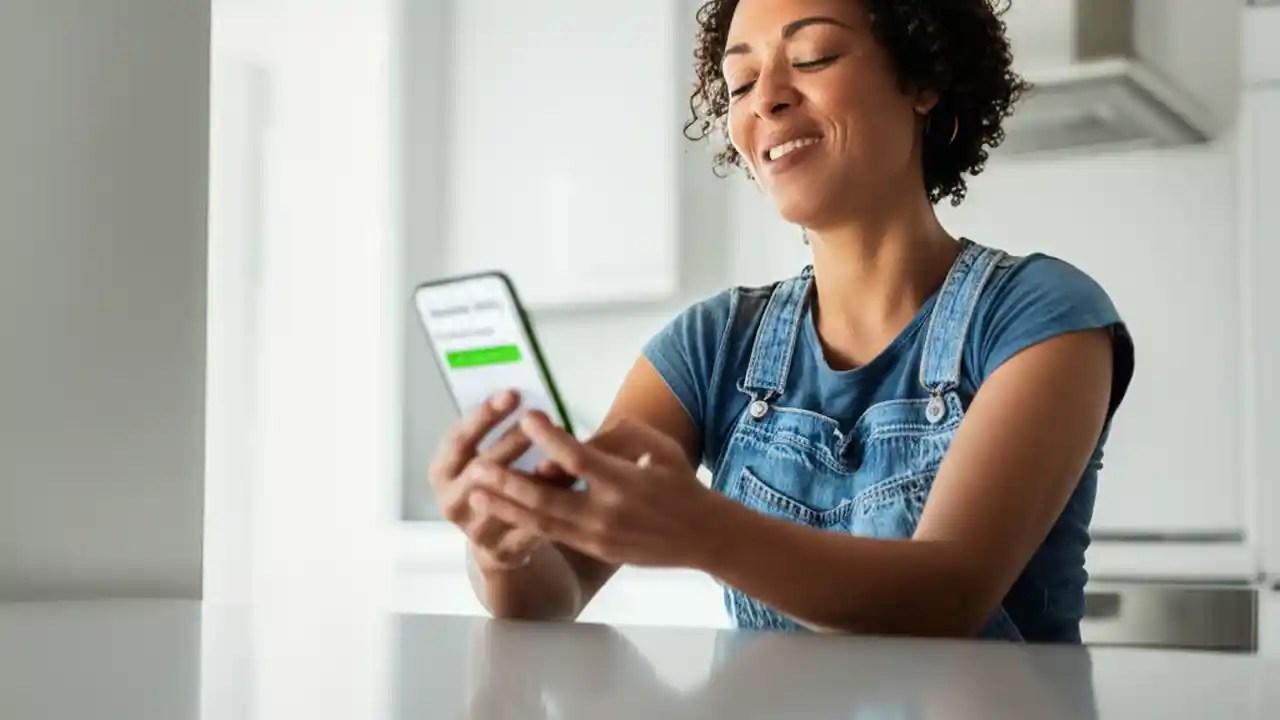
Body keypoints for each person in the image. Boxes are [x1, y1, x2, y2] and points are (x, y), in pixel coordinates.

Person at [428, 0, 1134, 642]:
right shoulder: (711, 345)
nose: (766, 99)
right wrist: (507, 547)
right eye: (739, 85)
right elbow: (558, 589)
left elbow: (947, 594)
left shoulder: (1042, 313)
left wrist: (709, 533)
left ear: (923, 79)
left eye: (814, 58)